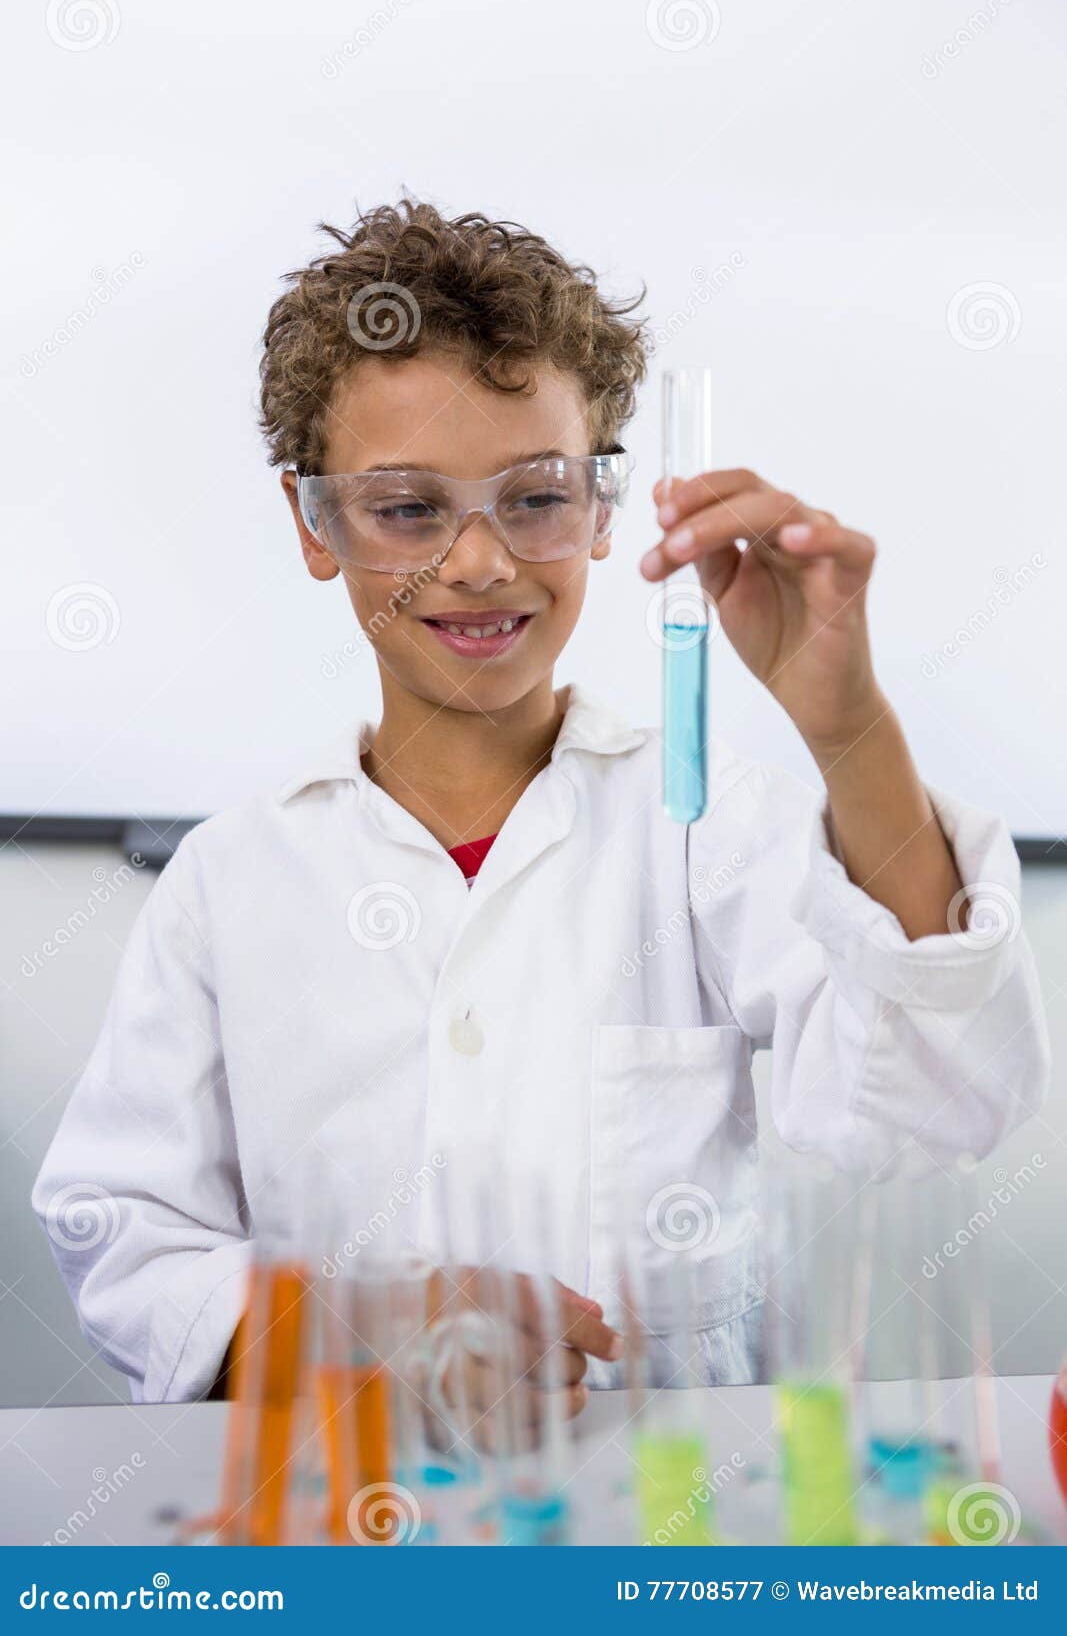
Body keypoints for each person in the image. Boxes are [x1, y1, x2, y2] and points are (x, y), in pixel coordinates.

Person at [33, 199, 1050, 1414]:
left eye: (535, 497)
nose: (478, 562)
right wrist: (348, 1325)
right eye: (408, 507)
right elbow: (122, 1233)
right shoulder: (230, 879)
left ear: (604, 509)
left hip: (656, 1534)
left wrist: (847, 728)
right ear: (316, 523)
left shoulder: (698, 825)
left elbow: (940, 1104)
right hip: (341, 1530)